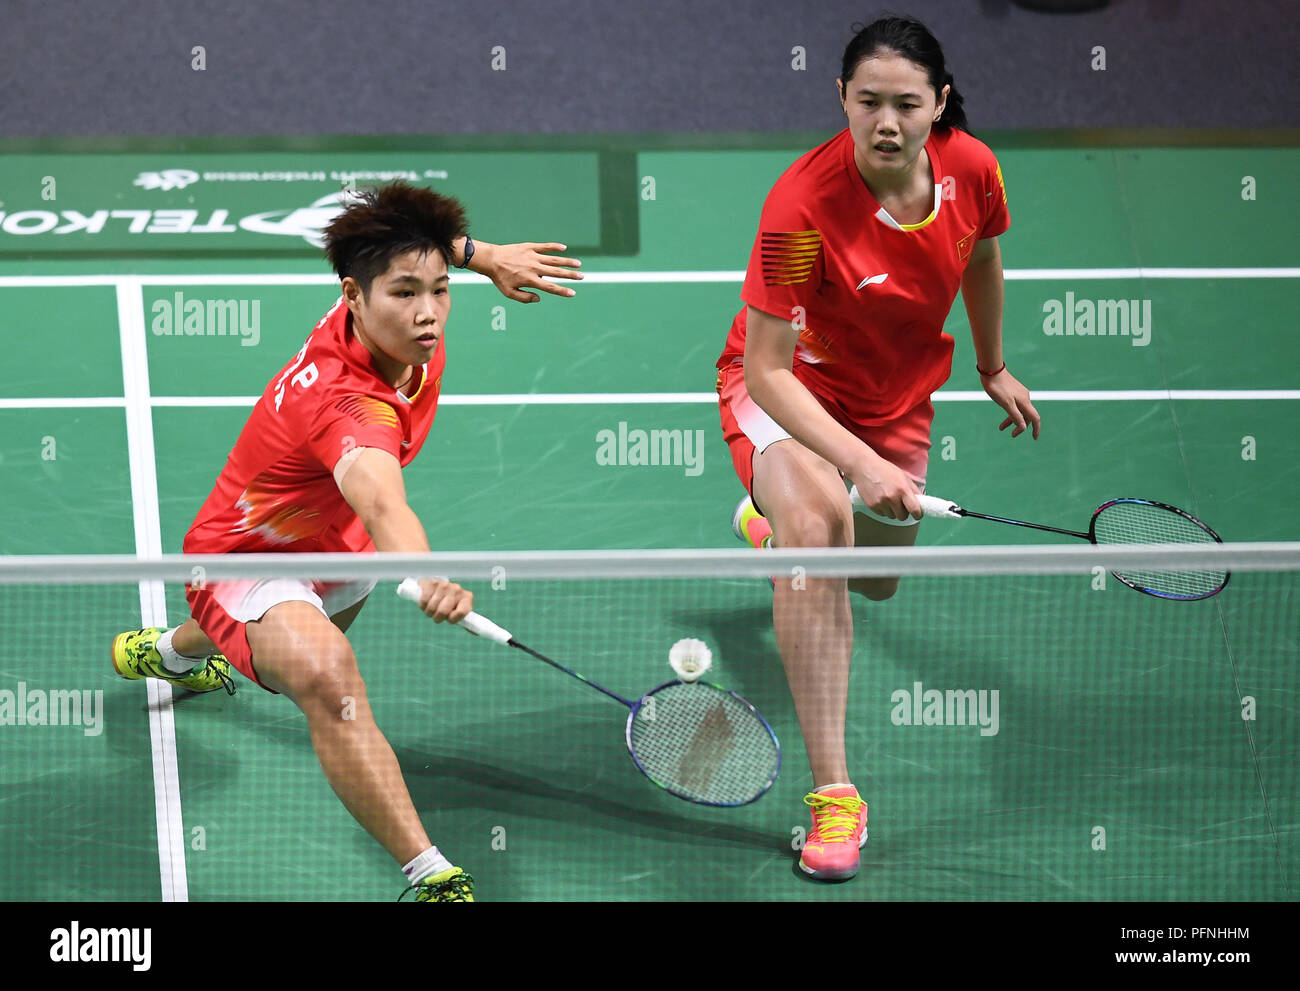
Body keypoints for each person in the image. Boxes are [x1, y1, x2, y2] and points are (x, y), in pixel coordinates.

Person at [111, 182, 581, 902]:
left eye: (440, 289)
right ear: (353, 297)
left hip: (336, 542)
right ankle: (431, 874)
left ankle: (176, 654)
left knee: (290, 643)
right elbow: (384, 500)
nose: (427, 312)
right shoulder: (347, 407)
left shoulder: (390, 310)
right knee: (330, 679)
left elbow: (407, 237)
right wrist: (426, 575)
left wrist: (484, 257)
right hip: (246, 558)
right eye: (405, 293)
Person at [716, 16, 1041, 882]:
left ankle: (771, 525)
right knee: (822, 534)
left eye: (906, 104)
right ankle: (835, 795)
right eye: (867, 103)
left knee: (879, 577)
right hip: (795, 390)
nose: (886, 123)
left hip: (897, 394)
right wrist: (855, 465)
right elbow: (768, 370)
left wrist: (993, 364)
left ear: (938, 103)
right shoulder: (799, 205)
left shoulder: (972, 168)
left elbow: (981, 258)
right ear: (841, 100)